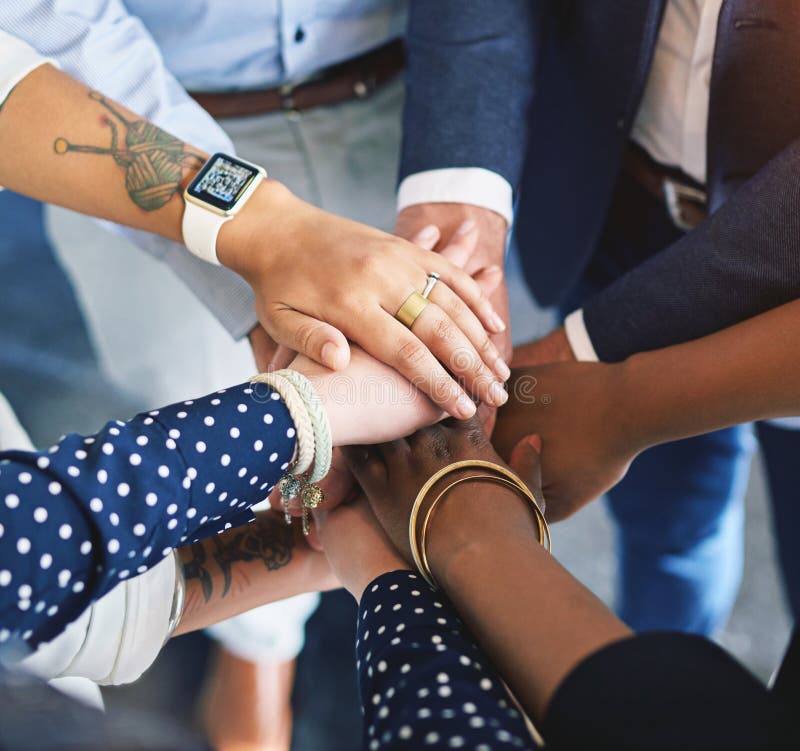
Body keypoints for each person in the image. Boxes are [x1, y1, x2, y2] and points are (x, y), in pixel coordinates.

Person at [401, 0, 800, 638]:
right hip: (615, 208)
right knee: (667, 530)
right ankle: (665, 697)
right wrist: (462, 216)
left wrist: (585, 355)